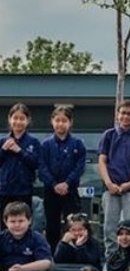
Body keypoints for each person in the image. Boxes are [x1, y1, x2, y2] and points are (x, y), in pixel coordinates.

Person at [97, 100, 130, 246]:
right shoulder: (108, 135)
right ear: (117, 115)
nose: (126, 116)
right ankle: (111, 258)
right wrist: (109, 183)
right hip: (111, 189)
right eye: (123, 113)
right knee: (110, 228)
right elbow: (102, 161)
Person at [36, 104, 87, 251]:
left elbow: (80, 167)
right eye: (57, 120)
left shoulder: (78, 144)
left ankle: (74, 253)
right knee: (52, 226)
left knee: (73, 224)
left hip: (70, 191)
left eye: (64, 120)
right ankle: (53, 255)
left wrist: (67, 183)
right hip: (50, 191)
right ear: (52, 121)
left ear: (70, 122)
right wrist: (54, 184)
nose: (60, 124)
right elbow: (42, 168)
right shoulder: (45, 145)